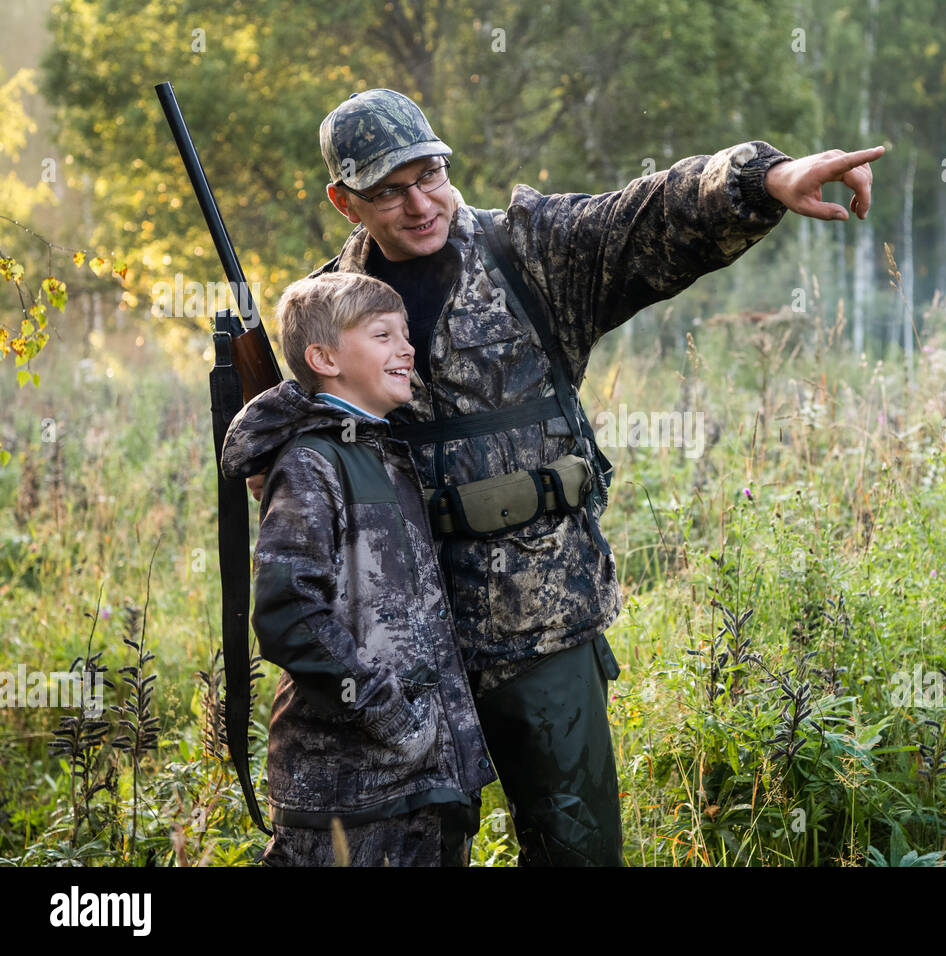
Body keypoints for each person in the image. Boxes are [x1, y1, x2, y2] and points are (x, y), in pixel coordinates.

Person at [264, 88, 883, 866]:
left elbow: (645, 215)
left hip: (541, 626)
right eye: (389, 191)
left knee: (577, 851)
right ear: (345, 202)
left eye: (431, 174)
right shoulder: (330, 311)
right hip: (398, 647)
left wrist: (762, 181)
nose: (421, 203)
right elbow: (300, 455)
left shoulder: (530, 252)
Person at [222, 271, 496, 866]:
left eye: (405, 334)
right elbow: (288, 612)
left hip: (418, 783)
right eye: (382, 336)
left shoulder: (383, 452)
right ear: (324, 358)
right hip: (350, 792)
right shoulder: (313, 463)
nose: (407, 349)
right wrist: (389, 711)